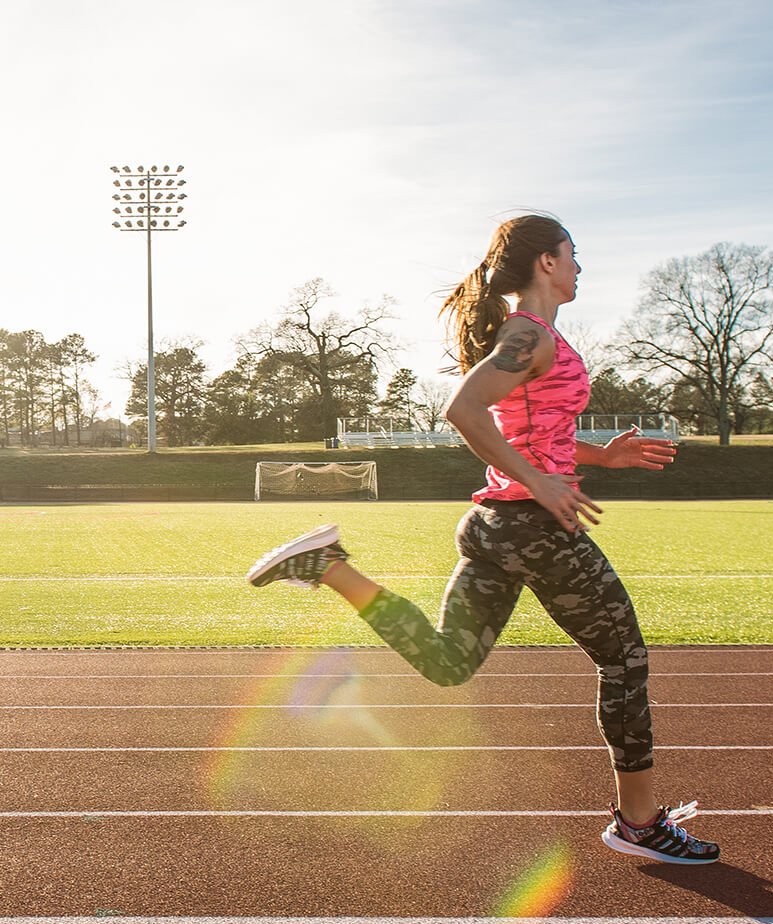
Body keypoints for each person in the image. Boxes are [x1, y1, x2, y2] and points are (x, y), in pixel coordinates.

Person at [247, 214, 718, 865]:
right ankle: (638, 824)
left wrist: (599, 461)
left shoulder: (537, 335)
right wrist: (546, 486)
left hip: (500, 524)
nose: (580, 266)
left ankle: (329, 565)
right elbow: (463, 410)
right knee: (626, 660)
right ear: (546, 263)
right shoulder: (528, 334)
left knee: (448, 661)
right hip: (535, 526)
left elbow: (535, 437)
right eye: (572, 254)